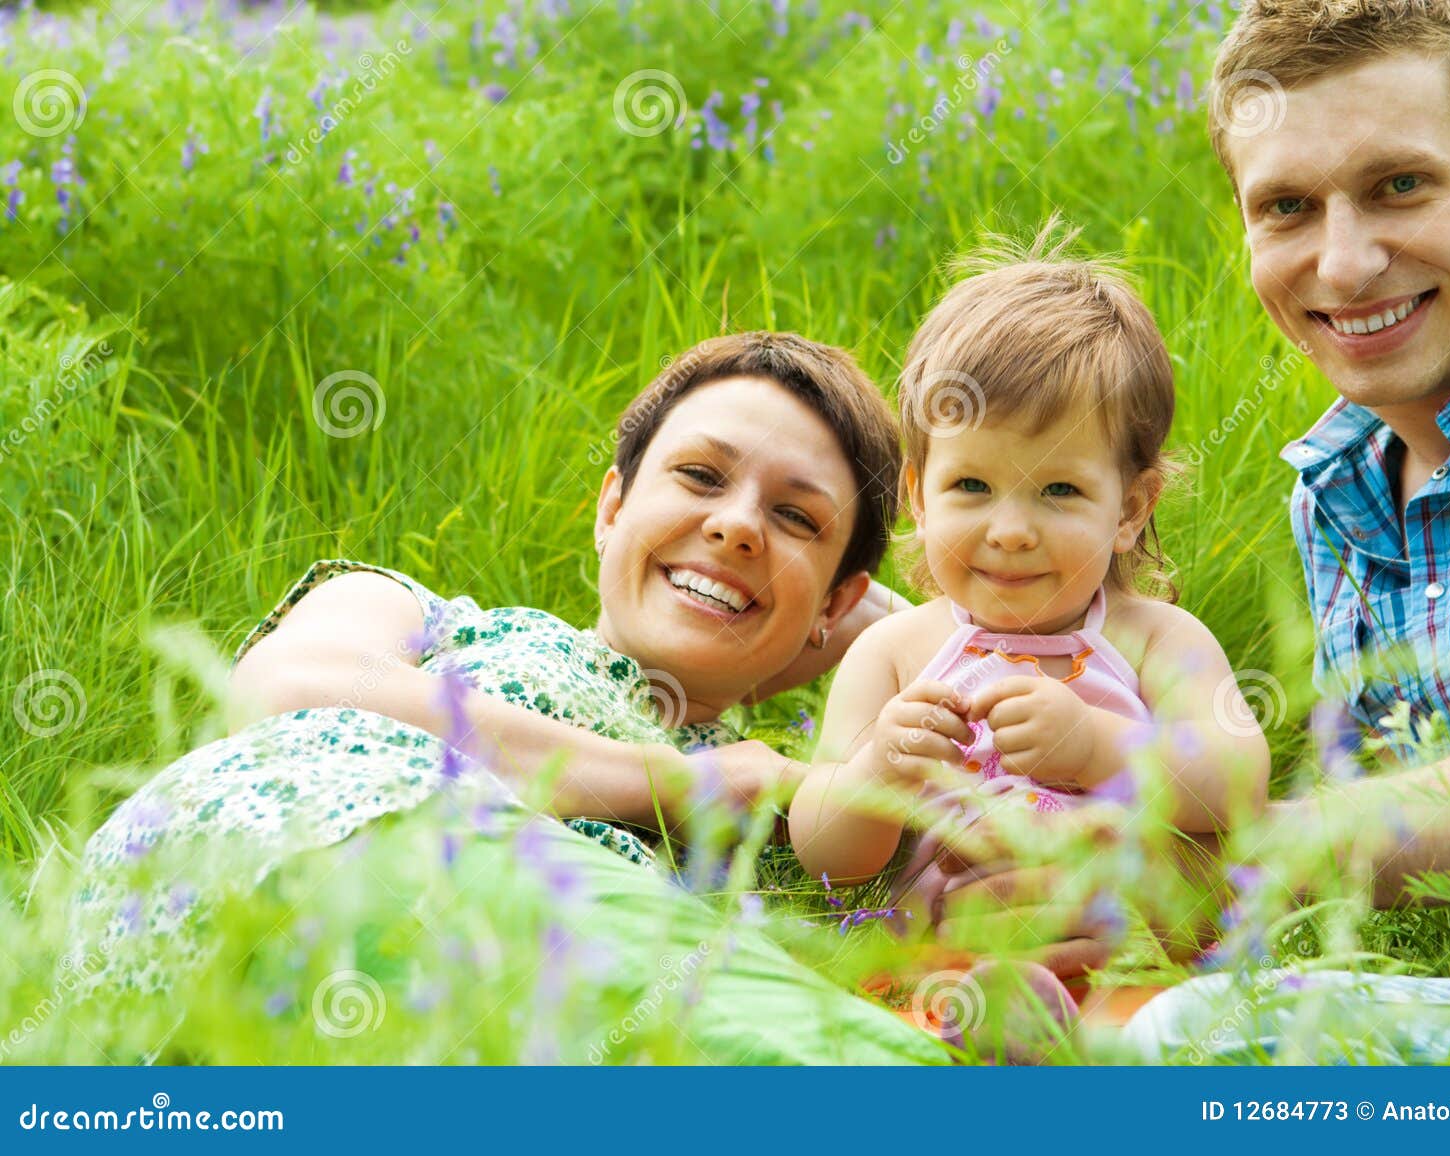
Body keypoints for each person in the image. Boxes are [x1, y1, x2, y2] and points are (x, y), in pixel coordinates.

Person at [67, 331, 948, 1064]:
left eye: (797, 518)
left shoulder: (806, 821)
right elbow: (287, 687)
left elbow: (971, 664)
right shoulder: (426, 617)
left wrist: (870, 629)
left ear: (837, 600)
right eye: (699, 477)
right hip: (325, 864)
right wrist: (684, 783)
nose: (736, 524)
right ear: (611, 509)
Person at [1120, 0, 1450, 1061]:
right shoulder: (1335, 495)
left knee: (1212, 1043)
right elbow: (1397, 846)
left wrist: (1263, 856)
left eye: (1398, 186)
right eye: (1287, 206)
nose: (1341, 265)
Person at [789, 226, 1269, 1049]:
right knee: (871, 1033)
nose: (1011, 530)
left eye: (1057, 490)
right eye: (971, 484)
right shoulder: (897, 653)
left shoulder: (1156, 639)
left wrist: (1096, 745)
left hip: (1131, 947)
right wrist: (878, 771)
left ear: (1129, 509)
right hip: (937, 953)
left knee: (1171, 1036)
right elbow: (825, 850)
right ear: (918, 494)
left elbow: (1238, 781)